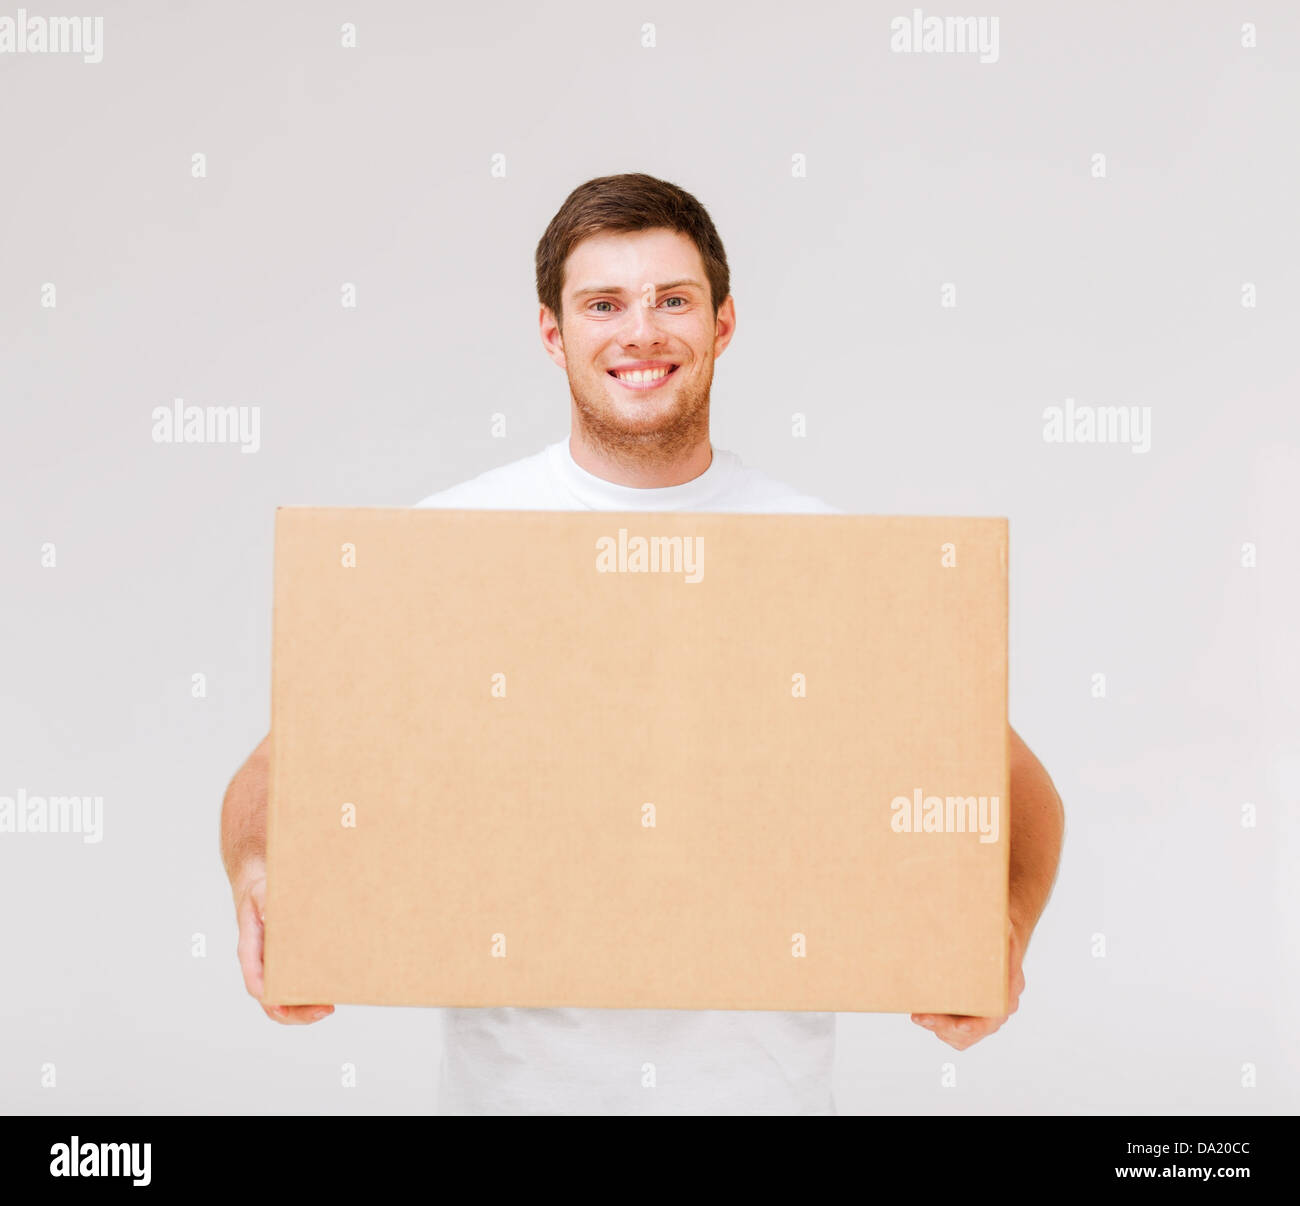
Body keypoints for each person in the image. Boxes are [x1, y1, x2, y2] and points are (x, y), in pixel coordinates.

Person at [220, 172, 1066, 1115]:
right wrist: (261, 876)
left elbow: (1015, 781)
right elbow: (281, 765)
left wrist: (1002, 925)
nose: (641, 332)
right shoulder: (456, 543)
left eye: (673, 299)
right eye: (604, 304)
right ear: (554, 333)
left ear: (724, 323)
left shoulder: (819, 552)